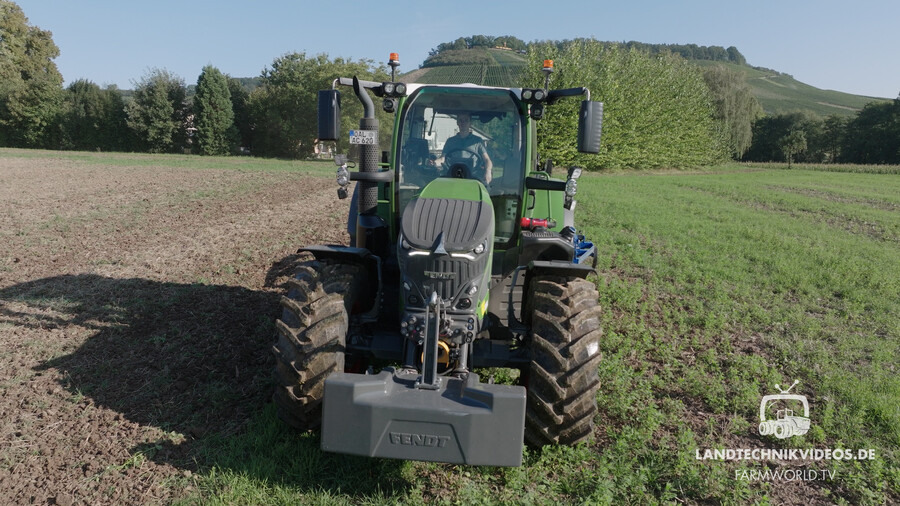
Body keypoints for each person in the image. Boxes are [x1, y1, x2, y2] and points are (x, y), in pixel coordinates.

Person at [434, 113, 492, 184]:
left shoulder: (477, 141)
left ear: (470, 123)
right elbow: (442, 159)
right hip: (452, 176)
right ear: (457, 123)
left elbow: (487, 159)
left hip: (473, 178)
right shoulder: (450, 141)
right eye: (460, 120)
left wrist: (488, 171)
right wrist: (435, 162)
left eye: (466, 120)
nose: (463, 123)